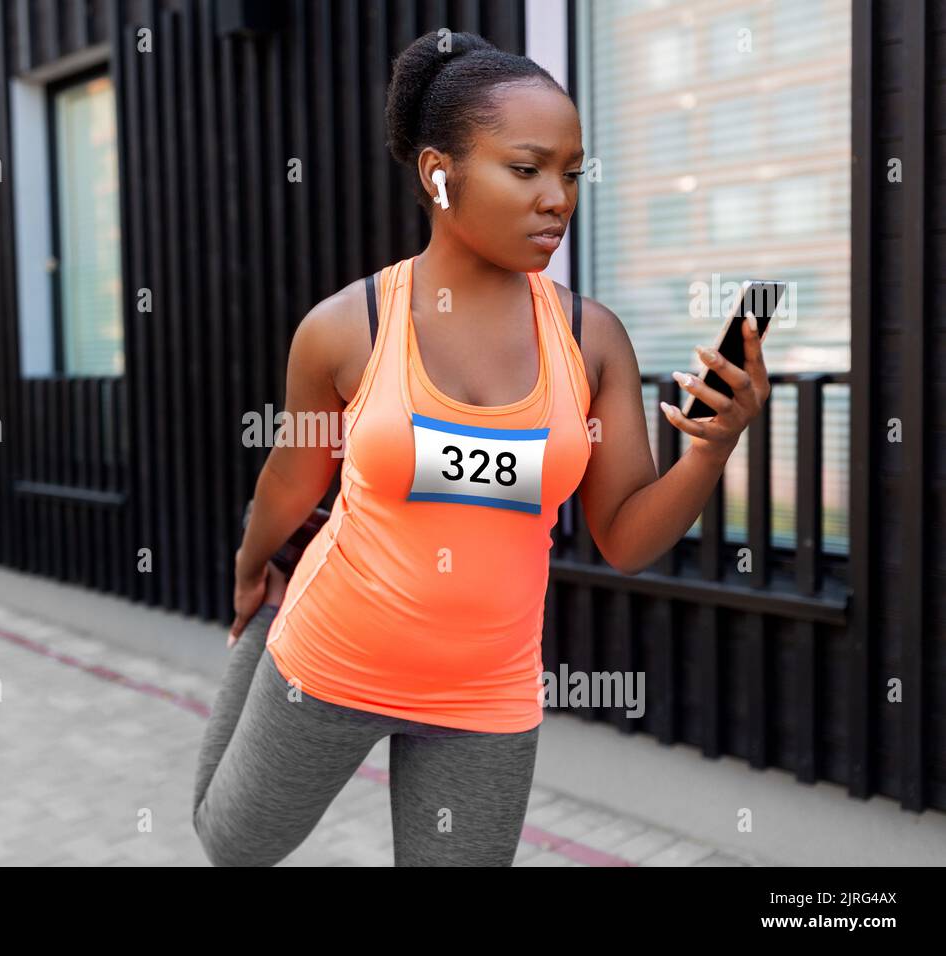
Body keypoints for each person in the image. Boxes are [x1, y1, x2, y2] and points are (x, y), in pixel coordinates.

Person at [192, 29, 770, 867]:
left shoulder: (591, 338)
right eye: (527, 169)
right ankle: (277, 619)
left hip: (485, 694)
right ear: (439, 172)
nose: (558, 199)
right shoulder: (345, 327)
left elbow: (626, 539)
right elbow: (291, 479)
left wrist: (711, 452)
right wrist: (254, 568)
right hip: (329, 657)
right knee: (232, 845)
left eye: (571, 173)